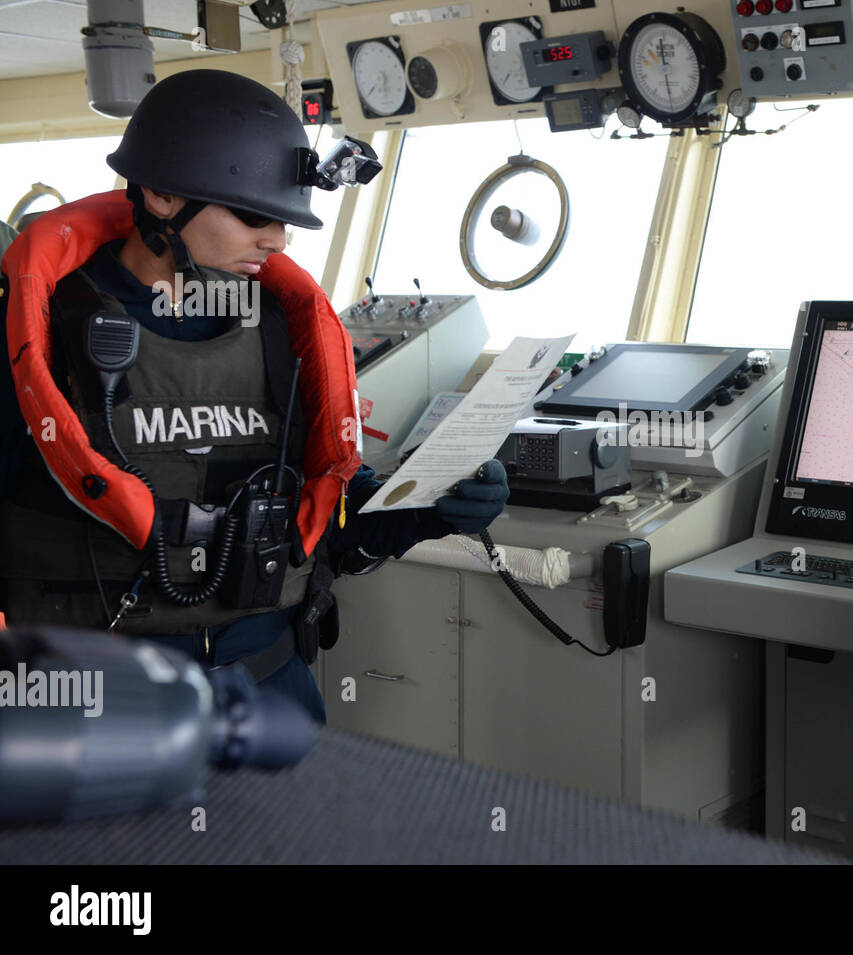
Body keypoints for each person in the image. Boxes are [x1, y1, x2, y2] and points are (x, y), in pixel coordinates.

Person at [0, 70, 509, 723]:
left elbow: (328, 530)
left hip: (270, 698)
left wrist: (430, 507)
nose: (278, 240)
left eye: (285, 219)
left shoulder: (280, 331)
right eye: (253, 216)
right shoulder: (39, 336)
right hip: (97, 716)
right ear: (159, 195)